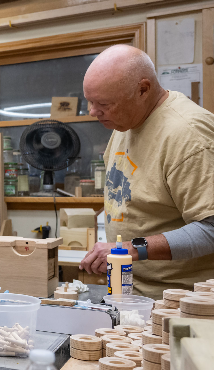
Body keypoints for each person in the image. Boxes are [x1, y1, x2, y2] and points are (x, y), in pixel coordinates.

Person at [80, 44, 214, 299]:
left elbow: (211, 228)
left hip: (180, 304)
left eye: (104, 104)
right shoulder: (125, 123)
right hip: (131, 294)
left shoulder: (189, 134)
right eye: (90, 101)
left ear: (143, 89)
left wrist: (132, 248)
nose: (93, 112)